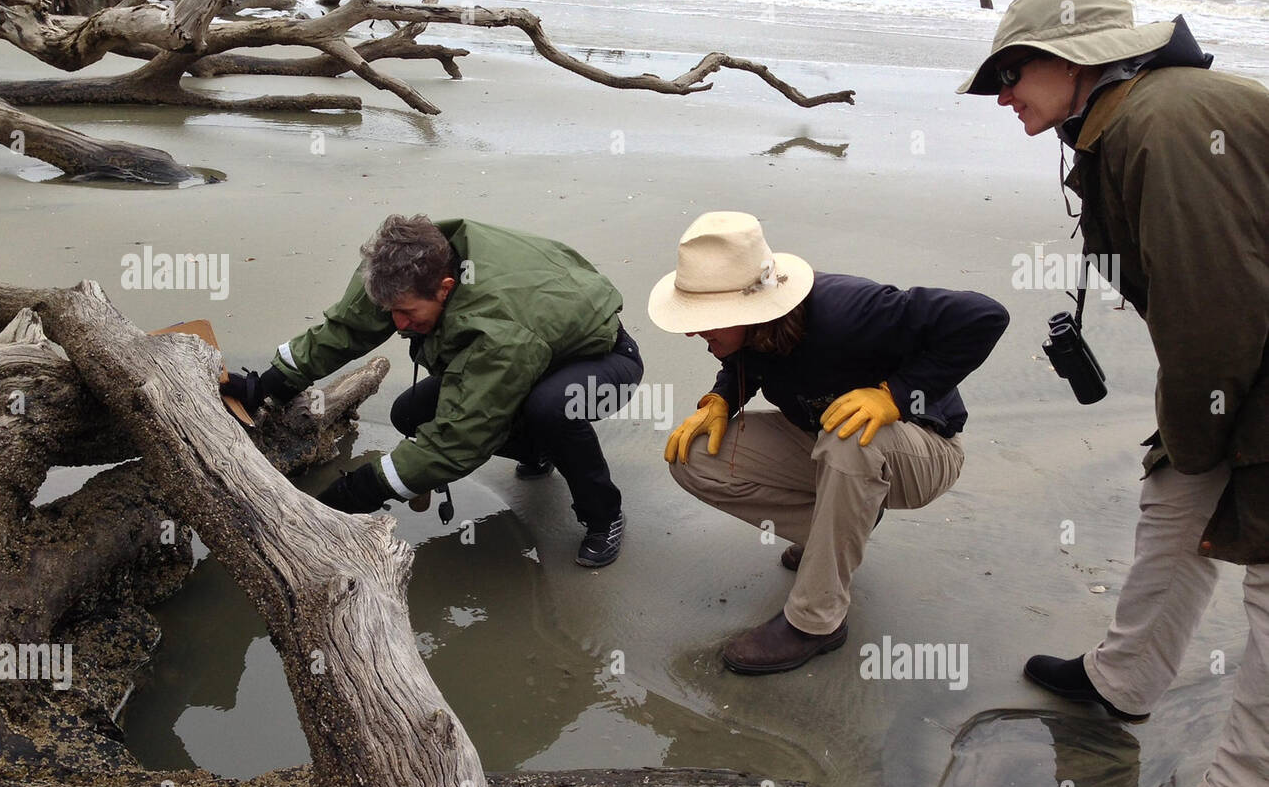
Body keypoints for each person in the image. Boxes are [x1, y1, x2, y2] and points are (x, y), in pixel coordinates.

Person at [959, 0, 1269, 787]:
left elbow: (1214, 306)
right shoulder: (1128, 117)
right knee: (1176, 493)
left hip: (1246, 359)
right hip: (1244, 362)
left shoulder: (1163, 125)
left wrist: (1209, 427)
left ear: (1074, 58)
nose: (1003, 96)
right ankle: (1123, 678)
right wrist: (1197, 439)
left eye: (1010, 73)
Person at [647, 211, 1008, 674]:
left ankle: (816, 622)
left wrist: (894, 395)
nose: (695, 331)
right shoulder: (755, 329)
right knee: (695, 454)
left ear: (747, 307)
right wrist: (722, 397)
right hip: (827, 444)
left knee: (851, 439)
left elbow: (982, 316)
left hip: (923, 451)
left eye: (707, 319)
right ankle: (838, 532)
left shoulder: (849, 309)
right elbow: (752, 363)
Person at [223, 214, 642, 567]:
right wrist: (268, 385)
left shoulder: (499, 332)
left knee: (550, 409)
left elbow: (460, 439)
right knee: (410, 414)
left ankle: (604, 515)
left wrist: (356, 493)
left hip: (599, 360)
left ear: (445, 288)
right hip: (533, 345)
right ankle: (537, 451)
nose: (398, 324)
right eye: (391, 313)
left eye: (407, 314)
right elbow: (349, 328)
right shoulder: (403, 264)